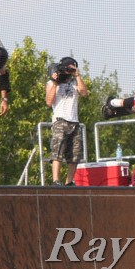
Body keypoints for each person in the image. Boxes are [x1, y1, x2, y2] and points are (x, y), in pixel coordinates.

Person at [46, 57, 88, 186]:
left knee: (75, 155)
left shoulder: (75, 82)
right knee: (57, 151)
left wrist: (78, 75)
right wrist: (54, 81)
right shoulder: (51, 83)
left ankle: (69, 182)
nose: (68, 72)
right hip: (60, 120)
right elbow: (49, 101)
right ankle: (56, 180)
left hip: (74, 121)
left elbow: (84, 93)